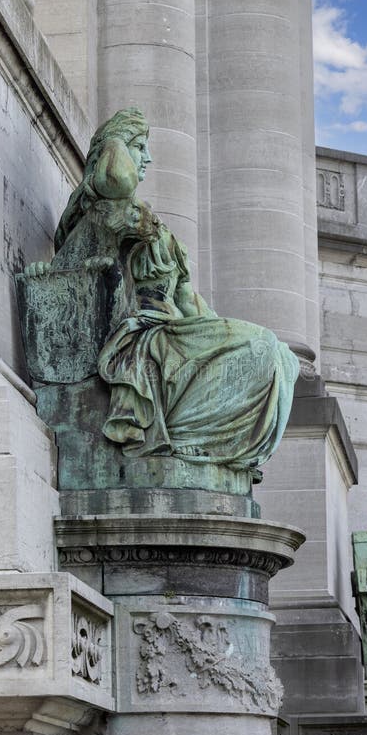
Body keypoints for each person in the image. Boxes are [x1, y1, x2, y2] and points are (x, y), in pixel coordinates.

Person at [46, 108, 299, 474]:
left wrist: (221, 340)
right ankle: (184, 437)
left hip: (174, 333)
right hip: (142, 338)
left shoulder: (155, 227)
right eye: (138, 146)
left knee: (278, 354)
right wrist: (113, 145)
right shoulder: (110, 216)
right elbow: (71, 275)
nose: (147, 157)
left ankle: (205, 442)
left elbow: (190, 304)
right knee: (260, 344)